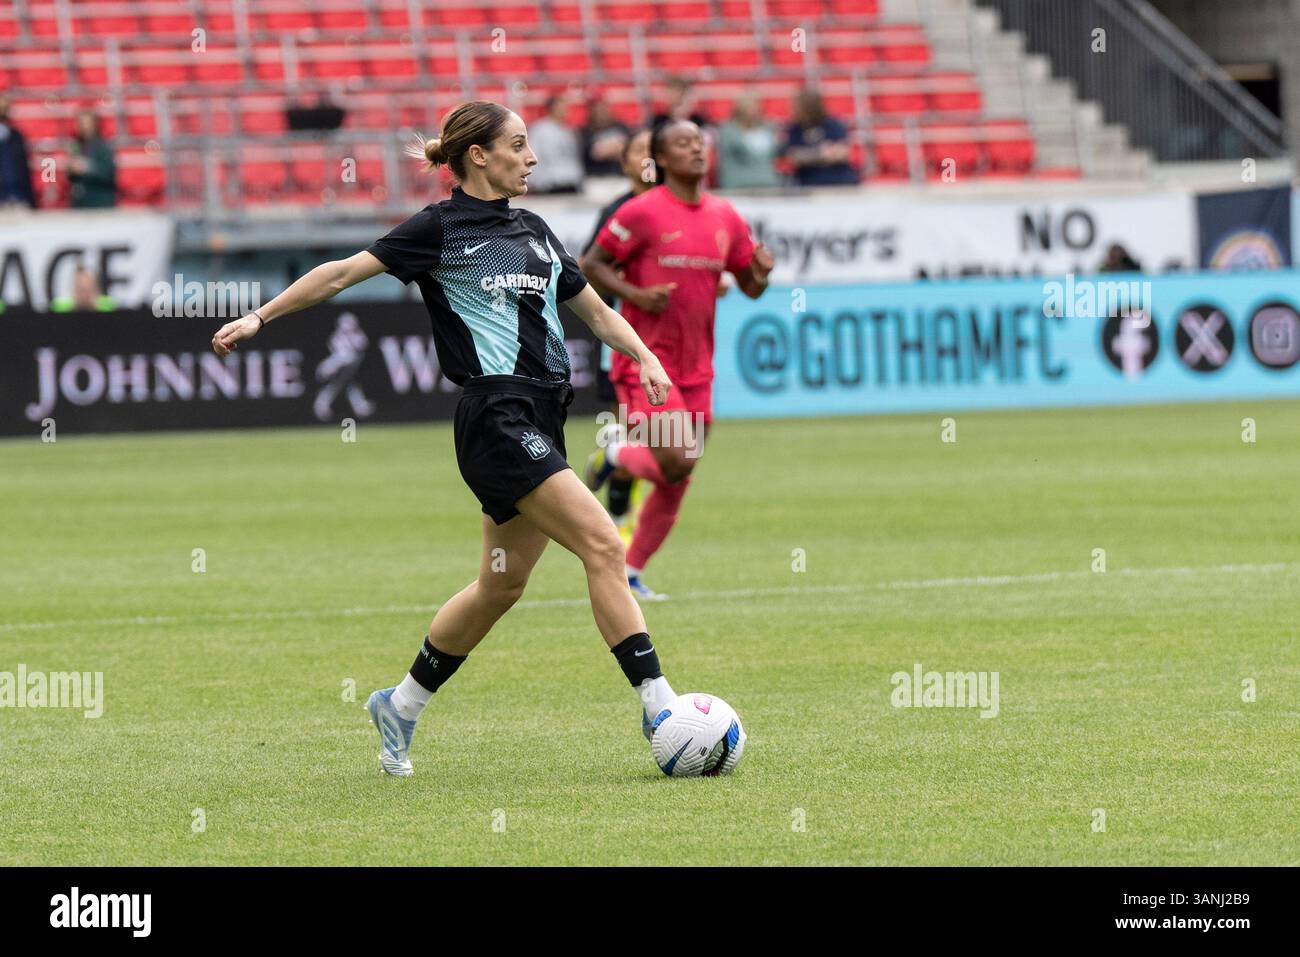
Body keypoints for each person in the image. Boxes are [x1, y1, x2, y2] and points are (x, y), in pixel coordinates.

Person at [210, 101, 679, 777]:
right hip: (496, 418)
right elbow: (342, 272)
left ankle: (399, 704)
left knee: (500, 585)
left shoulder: (537, 231)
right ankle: (658, 704)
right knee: (605, 543)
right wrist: (260, 315)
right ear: (479, 155)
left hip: (544, 416)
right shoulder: (440, 227)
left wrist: (645, 356)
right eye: (520, 144)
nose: (534, 156)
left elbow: (597, 311)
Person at [579, 118, 775, 601]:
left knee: (680, 474)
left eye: (700, 142)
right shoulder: (642, 212)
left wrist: (762, 275)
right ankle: (615, 453)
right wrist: (637, 295)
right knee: (679, 457)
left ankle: (630, 571)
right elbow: (590, 265)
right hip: (649, 364)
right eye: (682, 143)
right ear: (661, 159)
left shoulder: (726, 216)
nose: (696, 149)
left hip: (698, 369)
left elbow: (749, 288)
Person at [581, 128, 654, 544]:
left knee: (666, 441)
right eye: (639, 152)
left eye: (653, 151)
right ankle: (623, 529)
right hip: (628, 338)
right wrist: (636, 288)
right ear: (624, 162)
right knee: (646, 437)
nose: (648, 158)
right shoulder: (618, 211)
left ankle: (611, 459)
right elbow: (588, 266)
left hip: (677, 340)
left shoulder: (677, 206)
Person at [781, 88, 859, 187]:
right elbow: (795, 157)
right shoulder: (795, 129)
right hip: (809, 183)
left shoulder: (833, 124)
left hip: (839, 181)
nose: (791, 110)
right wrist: (822, 153)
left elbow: (843, 153)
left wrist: (808, 154)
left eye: (795, 106)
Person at [717, 93, 782, 190]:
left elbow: (774, 155)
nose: (753, 110)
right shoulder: (728, 131)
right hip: (738, 186)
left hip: (767, 184)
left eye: (756, 105)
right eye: (749, 105)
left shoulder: (767, 128)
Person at [524, 93, 584, 194]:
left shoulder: (569, 131)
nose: (565, 110)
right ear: (552, 108)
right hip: (549, 186)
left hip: (571, 183)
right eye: (561, 107)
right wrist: (534, 182)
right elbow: (531, 156)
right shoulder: (540, 129)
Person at [69, 110, 117, 209]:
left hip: (99, 203)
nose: (84, 127)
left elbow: (109, 172)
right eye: (81, 123)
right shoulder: (76, 146)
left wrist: (88, 168)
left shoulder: (104, 146)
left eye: (87, 123)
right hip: (80, 203)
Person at [0, 95, 37, 208]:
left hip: (18, 197)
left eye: (5, 108)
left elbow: (23, 169)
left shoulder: (17, 137)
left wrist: (30, 199)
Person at [581, 97, 630, 177]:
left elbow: (626, 150)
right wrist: (615, 147)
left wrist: (606, 148)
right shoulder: (586, 131)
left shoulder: (621, 127)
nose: (602, 113)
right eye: (598, 111)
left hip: (620, 175)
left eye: (604, 110)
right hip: (597, 176)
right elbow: (596, 153)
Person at [50, 264, 116, 312]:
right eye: (81, 290)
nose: (84, 295)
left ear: (97, 290)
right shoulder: (59, 308)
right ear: (73, 289)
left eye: (88, 290)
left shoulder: (109, 307)